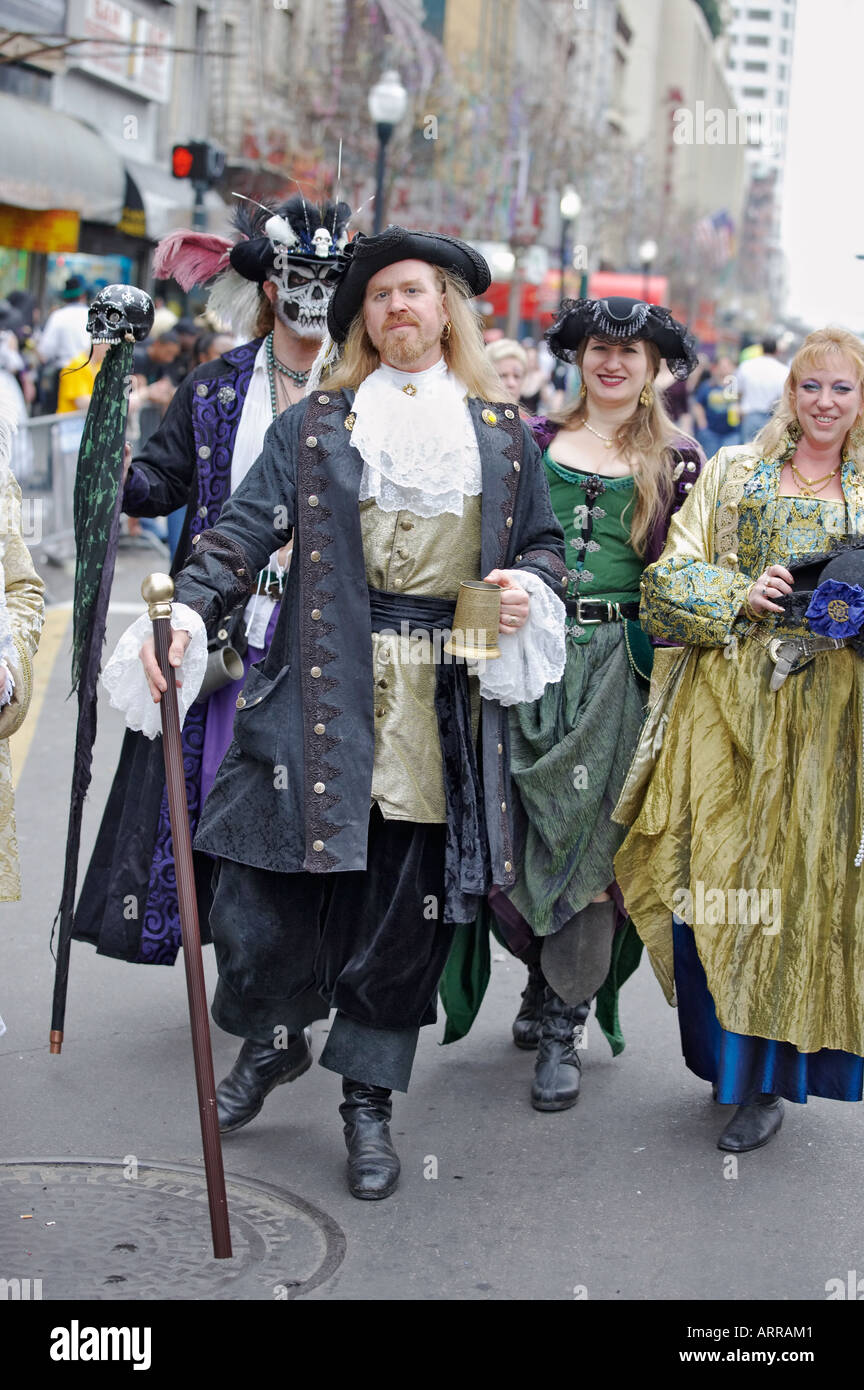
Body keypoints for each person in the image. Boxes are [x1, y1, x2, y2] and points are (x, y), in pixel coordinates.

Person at [108, 225, 566, 1200]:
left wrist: (524, 589)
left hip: (438, 712)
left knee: (398, 925)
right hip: (309, 693)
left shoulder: (500, 435)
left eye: (418, 291)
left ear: (447, 308)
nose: (400, 306)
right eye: (382, 294)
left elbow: (540, 547)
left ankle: (368, 1100)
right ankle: (271, 1042)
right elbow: (241, 530)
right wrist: (189, 612)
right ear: (364, 315)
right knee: (262, 910)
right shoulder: (319, 423)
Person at [73, 195, 353, 968]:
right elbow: (151, 487)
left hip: (325, 637)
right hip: (225, 633)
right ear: (269, 285)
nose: (315, 293)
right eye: (301, 274)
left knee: (310, 801)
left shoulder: (365, 392)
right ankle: (242, 956)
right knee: (215, 798)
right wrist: (106, 420)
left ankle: (299, 959)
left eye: (332, 277)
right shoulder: (217, 386)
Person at [613, 326, 864, 1153]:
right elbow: (668, 579)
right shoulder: (731, 472)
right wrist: (740, 592)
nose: (824, 403)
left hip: (834, 720)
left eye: (843, 389)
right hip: (729, 707)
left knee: (800, 890)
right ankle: (726, 1060)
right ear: (789, 394)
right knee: (715, 877)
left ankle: (767, 1084)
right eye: (811, 386)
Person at [492, 296, 704, 1111]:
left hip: (623, 666)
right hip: (529, 658)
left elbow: (689, 580)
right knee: (518, 828)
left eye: (631, 352)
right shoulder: (530, 441)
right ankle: (541, 985)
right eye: (597, 348)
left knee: (591, 846)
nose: (612, 362)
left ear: (654, 368)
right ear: (577, 357)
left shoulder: (682, 461)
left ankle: (563, 1022)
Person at [736, 336, 788, 441]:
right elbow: (783, 399)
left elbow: (737, 391)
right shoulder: (783, 371)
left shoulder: (746, 365)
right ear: (776, 351)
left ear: (761, 348)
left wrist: (739, 407)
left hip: (748, 416)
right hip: (770, 418)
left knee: (744, 453)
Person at [691, 354, 741, 459]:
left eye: (728, 366)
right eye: (723, 366)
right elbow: (698, 404)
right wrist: (702, 425)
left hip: (732, 432)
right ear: (716, 368)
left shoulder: (737, 387)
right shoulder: (708, 385)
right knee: (710, 461)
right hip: (711, 432)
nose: (726, 369)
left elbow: (743, 404)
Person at [37, 275, 90, 369]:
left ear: (64, 298)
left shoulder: (57, 316)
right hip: (89, 373)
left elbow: (45, 351)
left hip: (65, 373)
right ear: (83, 296)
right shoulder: (92, 315)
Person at [55, 340, 109, 414]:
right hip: (71, 421)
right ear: (98, 344)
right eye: (108, 344)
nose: (110, 348)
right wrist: (114, 401)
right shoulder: (78, 365)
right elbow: (82, 402)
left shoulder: (100, 365)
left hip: (88, 419)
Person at [486, 337, 527, 410]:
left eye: (517, 376)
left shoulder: (527, 420)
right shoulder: (472, 417)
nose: (511, 383)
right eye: (502, 376)